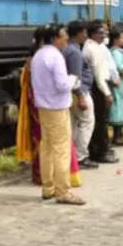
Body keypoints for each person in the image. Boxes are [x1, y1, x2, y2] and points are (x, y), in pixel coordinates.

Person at [16, 28, 82, 189]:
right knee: (61, 149)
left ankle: (48, 187)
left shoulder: (38, 55)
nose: (67, 40)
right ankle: (63, 190)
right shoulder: (55, 56)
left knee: (46, 147)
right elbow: (62, 85)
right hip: (57, 108)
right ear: (54, 38)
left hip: (43, 107)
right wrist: (74, 79)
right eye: (64, 37)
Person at [63, 21, 98, 169]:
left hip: (70, 94)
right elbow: (75, 77)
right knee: (87, 122)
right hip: (79, 92)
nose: (85, 35)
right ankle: (81, 156)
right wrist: (81, 97)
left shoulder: (66, 49)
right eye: (84, 33)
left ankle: (71, 156)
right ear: (78, 34)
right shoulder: (75, 52)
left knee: (73, 125)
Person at [84, 21, 119, 163]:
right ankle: (101, 152)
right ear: (94, 34)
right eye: (101, 32)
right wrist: (107, 93)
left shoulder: (95, 47)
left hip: (98, 86)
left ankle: (99, 150)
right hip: (99, 88)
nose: (104, 34)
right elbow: (98, 75)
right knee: (101, 121)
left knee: (99, 120)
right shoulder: (93, 49)